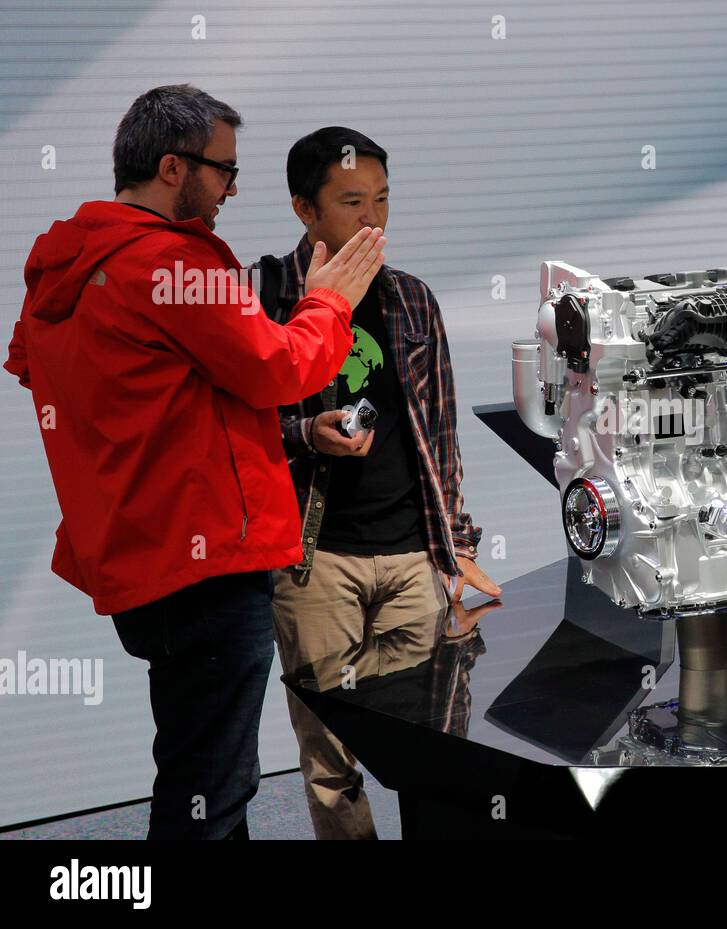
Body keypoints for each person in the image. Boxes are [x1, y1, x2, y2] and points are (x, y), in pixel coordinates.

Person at [4, 85, 386, 838]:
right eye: (224, 170)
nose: (234, 189)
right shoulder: (167, 264)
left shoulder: (70, 268)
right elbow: (281, 368)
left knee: (202, 772)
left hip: (143, 562)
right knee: (210, 788)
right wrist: (329, 303)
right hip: (205, 565)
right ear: (174, 167)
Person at [255, 126, 501, 839]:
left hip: (411, 559)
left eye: (384, 200)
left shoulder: (411, 300)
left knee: (439, 744)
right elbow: (235, 432)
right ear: (305, 209)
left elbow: (442, 432)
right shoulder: (265, 294)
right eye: (353, 201)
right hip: (315, 560)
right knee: (332, 761)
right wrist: (307, 432)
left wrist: (457, 547)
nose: (374, 219)